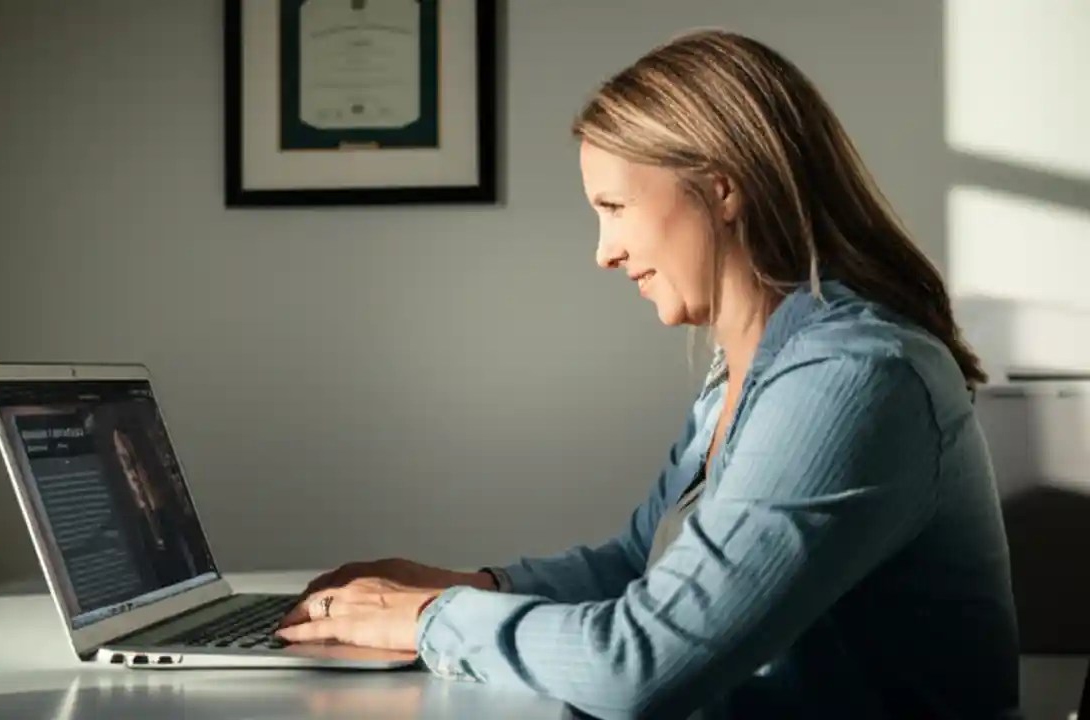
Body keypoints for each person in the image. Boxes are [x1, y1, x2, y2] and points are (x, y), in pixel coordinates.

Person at [275, 29, 1020, 719]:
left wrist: (429, 619)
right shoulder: (751, 373)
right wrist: (472, 585)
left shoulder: (852, 379)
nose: (604, 251)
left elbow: (643, 665)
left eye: (615, 206)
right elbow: (642, 565)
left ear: (722, 189)